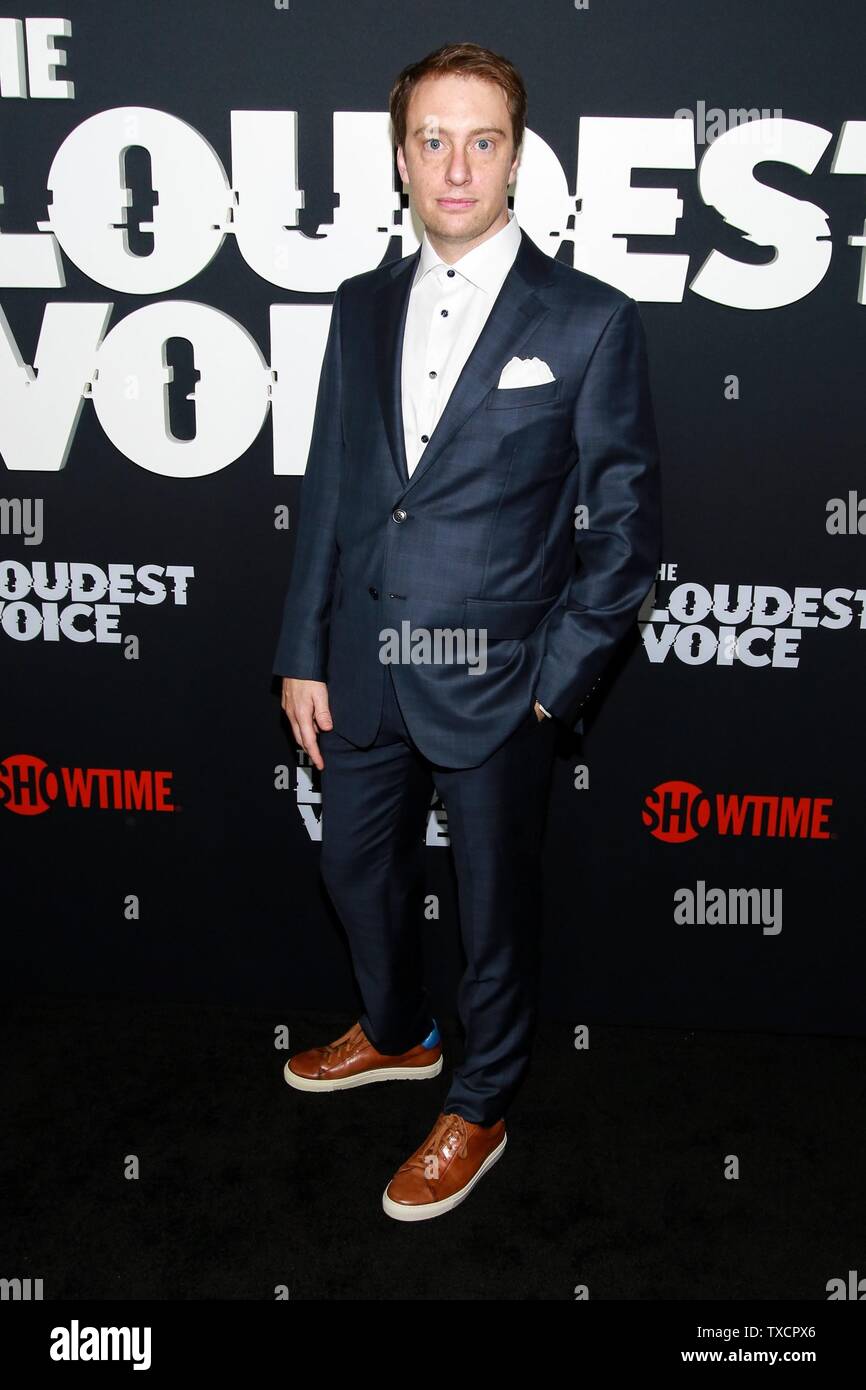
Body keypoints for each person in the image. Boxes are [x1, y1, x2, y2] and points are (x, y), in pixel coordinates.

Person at [272, 42, 662, 1221]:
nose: (454, 163)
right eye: (431, 139)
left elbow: (627, 531)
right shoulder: (359, 305)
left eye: (479, 139)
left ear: (515, 156)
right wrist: (301, 647)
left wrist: (553, 688)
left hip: (502, 682)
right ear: (401, 157)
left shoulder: (588, 320)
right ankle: (396, 1031)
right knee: (351, 868)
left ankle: (481, 1102)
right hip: (359, 662)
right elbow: (335, 487)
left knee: (494, 907)